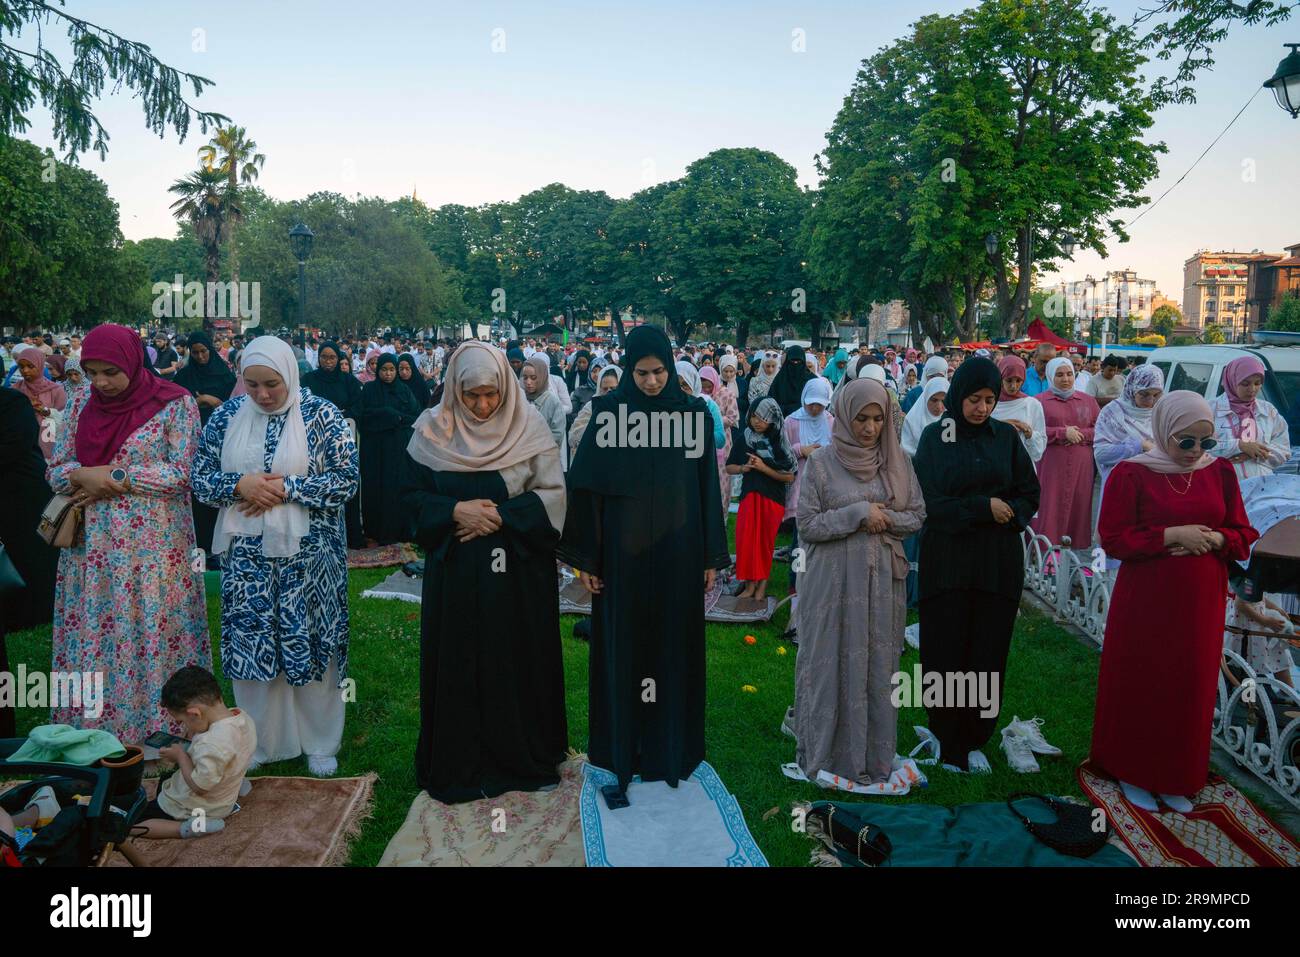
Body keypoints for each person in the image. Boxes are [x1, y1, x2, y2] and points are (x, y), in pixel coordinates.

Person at [558, 326, 729, 808]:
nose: (652, 382)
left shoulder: (692, 416)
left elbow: (705, 490)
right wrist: (586, 558)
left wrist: (710, 555)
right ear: (629, 370)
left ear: (672, 369)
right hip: (621, 558)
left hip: (678, 554)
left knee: (673, 648)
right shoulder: (609, 414)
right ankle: (621, 749)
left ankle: (671, 749)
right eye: (642, 373)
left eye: (659, 372)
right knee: (624, 648)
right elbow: (586, 489)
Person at [403, 341, 568, 802]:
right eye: (471, 395)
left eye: (490, 395)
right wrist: (454, 510)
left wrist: (498, 518)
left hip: (517, 578)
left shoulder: (529, 428)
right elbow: (407, 500)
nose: (481, 405)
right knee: (459, 663)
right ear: (454, 388)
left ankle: (520, 758)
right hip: (455, 577)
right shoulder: (431, 431)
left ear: (506, 389)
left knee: (514, 662)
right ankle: (457, 762)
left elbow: (554, 498)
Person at [192, 336, 359, 776]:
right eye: (252, 385)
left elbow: (345, 481)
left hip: (310, 559)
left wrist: (287, 488)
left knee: (311, 646)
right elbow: (201, 479)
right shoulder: (228, 416)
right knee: (254, 649)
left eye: (272, 384)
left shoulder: (322, 416)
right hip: (247, 563)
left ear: (290, 375)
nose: (262, 395)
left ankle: (320, 740)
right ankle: (261, 741)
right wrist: (239, 486)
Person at [1091, 392, 1257, 812]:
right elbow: (1112, 537)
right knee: (1145, 679)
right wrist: (1170, 536)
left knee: (1190, 684)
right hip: (1147, 598)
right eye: (1186, 442)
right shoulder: (1132, 474)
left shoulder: (1218, 472)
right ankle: (1133, 770)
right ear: (1165, 432)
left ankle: (1178, 775)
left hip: (1201, 600)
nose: (1196, 452)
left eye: (1207, 442)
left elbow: (1240, 531)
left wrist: (1216, 538)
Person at [46, 324, 209, 744]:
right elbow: (56, 468)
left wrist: (116, 476)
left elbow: (182, 473)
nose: (101, 382)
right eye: (93, 371)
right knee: (99, 628)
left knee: (153, 626)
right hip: (92, 549)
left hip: (155, 548)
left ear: (134, 364)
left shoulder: (175, 404)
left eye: (111, 372)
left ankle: (162, 729)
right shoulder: (81, 402)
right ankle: (96, 730)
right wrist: (83, 474)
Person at [792, 378, 925, 785]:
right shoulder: (821, 463)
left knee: (875, 662)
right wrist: (858, 514)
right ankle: (825, 750)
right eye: (861, 419)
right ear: (845, 418)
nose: (869, 428)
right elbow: (808, 524)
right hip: (831, 584)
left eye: (877, 419)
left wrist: (881, 518)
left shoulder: (898, 463)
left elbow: (916, 516)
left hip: (882, 582)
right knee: (829, 658)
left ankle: (872, 753)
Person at [911, 357, 1040, 772]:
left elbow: (1028, 493)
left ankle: (975, 735)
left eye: (989, 400)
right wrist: (983, 507)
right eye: (973, 399)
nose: (982, 408)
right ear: (957, 396)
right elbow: (929, 502)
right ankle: (946, 735)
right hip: (948, 561)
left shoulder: (1004, 438)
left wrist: (1008, 512)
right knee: (946, 648)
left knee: (986, 650)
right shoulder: (935, 438)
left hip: (995, 564)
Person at [136, 666, 257, 840]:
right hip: (225, 791)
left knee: (133, 824)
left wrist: (180, 756)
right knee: (167, 780)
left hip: (197, 806)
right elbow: (229, 752)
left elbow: (199, 787)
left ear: (195, 713)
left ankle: (188, 827)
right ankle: (238, 785)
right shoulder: (242, 717)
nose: (185, 727)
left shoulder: (210, 744)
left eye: (183, 721)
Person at [172, 331, 238, 560]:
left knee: (219, 490)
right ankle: (201, 549)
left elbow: (235, 405)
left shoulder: (225, 375)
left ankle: (221, 549)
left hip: (223, 441)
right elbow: (178, 406)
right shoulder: (184, 377)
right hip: (193, 441)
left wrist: (211, 401)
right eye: (196, 352)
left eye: (204, 351)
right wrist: (199, 401)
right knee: (199, 494)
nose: (200, 356)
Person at [727, 397, 797, 602]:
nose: (757, 421)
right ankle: (749, 585)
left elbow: (789, 475)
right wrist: (744, 468)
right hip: (750, 495)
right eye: (755, 416)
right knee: (746, 540)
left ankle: (761, 586)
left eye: (763, 418)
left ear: (773, 420)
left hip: (772, 499)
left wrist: (764, 467)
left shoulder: (779, 442)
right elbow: (730, 466)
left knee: (764, 543)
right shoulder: (745, 438)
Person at [302, 341, 366, 549]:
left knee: (343, 481)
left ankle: (352, 535)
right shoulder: (309, 380)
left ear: (339, 359)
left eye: (332, 358)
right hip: (314, 442)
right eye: (324, 357)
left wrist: (340, 417)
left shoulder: (348, 381)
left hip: (342, 441)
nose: (328, 362)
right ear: (318, 358)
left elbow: (359, 406)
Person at [1033, 357, 1100, 547]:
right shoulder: (1038, 402)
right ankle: (1044, 552)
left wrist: (1080, 434)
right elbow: (1032, 431)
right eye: (1060, 375)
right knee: (1049, 504)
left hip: (1081, 464)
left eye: (1070, 374)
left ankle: (1072, 553)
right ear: (1050, 376)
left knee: (1078, 503)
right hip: (1051, 464)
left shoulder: (1087, 401)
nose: (1066, 379)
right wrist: (1061, 433)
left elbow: (1101, 429)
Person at [357, 354, 421, 545]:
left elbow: (414, 416)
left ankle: (398, 530)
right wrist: (387, 415)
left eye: (391, 370)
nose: (388, 374)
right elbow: (363, 415)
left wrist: (396, 418)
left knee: (396, 486)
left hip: (397, 448)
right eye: (384, 370)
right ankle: (375, 530)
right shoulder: (369, 390)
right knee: (375, 486)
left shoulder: (404, 390)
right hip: (375, 448)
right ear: (378, 371)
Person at [1210, 355, 1291, 480]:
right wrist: (1238, 446)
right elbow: (1198, 448)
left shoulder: (1268, 411)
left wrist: (1254, 453)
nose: (1252, 389)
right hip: (1220, 484)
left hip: (1261, 488)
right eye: (1245, 384)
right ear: (1232, 380)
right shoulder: (1210, 410)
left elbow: (1284, 449)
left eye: (1257, 383)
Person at [1093, 363, 1165, 496]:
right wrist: (1140, 446)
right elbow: (1101, 453)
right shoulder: (1112, 412)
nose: (1150, 401)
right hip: (1121, 487)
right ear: (1132, 390)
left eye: (1156, 395)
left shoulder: (1162, 413)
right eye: (1144, 394)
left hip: (1154, 487)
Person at [10, 346, 67, 461]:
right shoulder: (14, 390)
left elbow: (64, 420)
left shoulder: (55, 390)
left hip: (48, 440)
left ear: (40, 365)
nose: (25, 370)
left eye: (30, 366)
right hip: (21, 440)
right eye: (21, 367)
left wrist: (45, 411)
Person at [990, 355, 1047, 465]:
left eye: (1018, 381)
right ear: (1000, 378)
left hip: (1021, 466)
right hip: (993, 464)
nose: (1013, 386)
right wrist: (1000, 426)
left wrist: (1029, 433)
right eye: (1009, 380)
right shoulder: (990, 402)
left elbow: (1039, 449)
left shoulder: (1032, 404)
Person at [568, 364, 621, 456]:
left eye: (613, 388)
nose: (609, 392)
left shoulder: (628, 405)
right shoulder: (591, 406)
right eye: (605, 389)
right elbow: (574, 435)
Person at [521, 355, 567, 455]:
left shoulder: (553, 402)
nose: (528, 382)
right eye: (525, 378)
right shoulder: (519, 398)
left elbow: (557, 435)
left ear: (542, 377)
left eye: (533, 378)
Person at [900, 377, 948, 458]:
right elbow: (905, 452)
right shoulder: (912, 420)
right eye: (934, 400)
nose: (939, 407)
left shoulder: (953, 421)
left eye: (944, 401)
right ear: (926, 398)